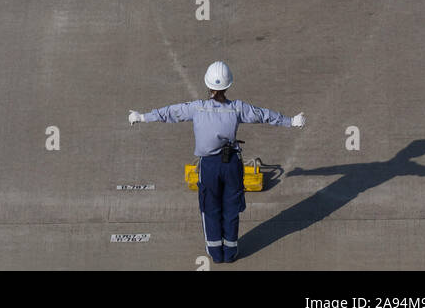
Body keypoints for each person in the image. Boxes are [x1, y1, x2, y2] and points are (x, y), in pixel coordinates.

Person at [128, 60, 306, 263]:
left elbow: (170, 112)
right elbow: (263, 115)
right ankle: (230, 253)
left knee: (210, 208)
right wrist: (291, 121)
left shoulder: (197, 108)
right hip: (232, 164)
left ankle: (215, 254)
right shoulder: (237, 108)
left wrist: (142, 117)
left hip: (209, 166)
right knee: (231, 209)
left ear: (208, 85)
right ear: (228, 86)